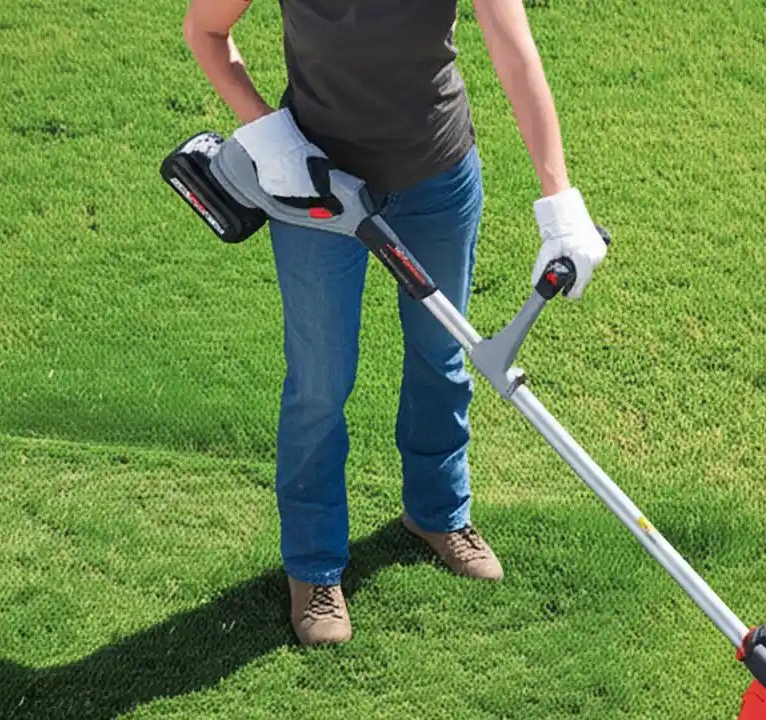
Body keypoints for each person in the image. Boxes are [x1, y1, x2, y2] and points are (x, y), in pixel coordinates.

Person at [182, 0, 607, 646]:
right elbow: (206, 31)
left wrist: (560, 201)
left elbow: (514, 50)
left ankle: (438, 512)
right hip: (315, 191)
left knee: (442, 358)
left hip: (437, 176)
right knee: (320, 383)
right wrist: (269, 133)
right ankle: (315, 567)